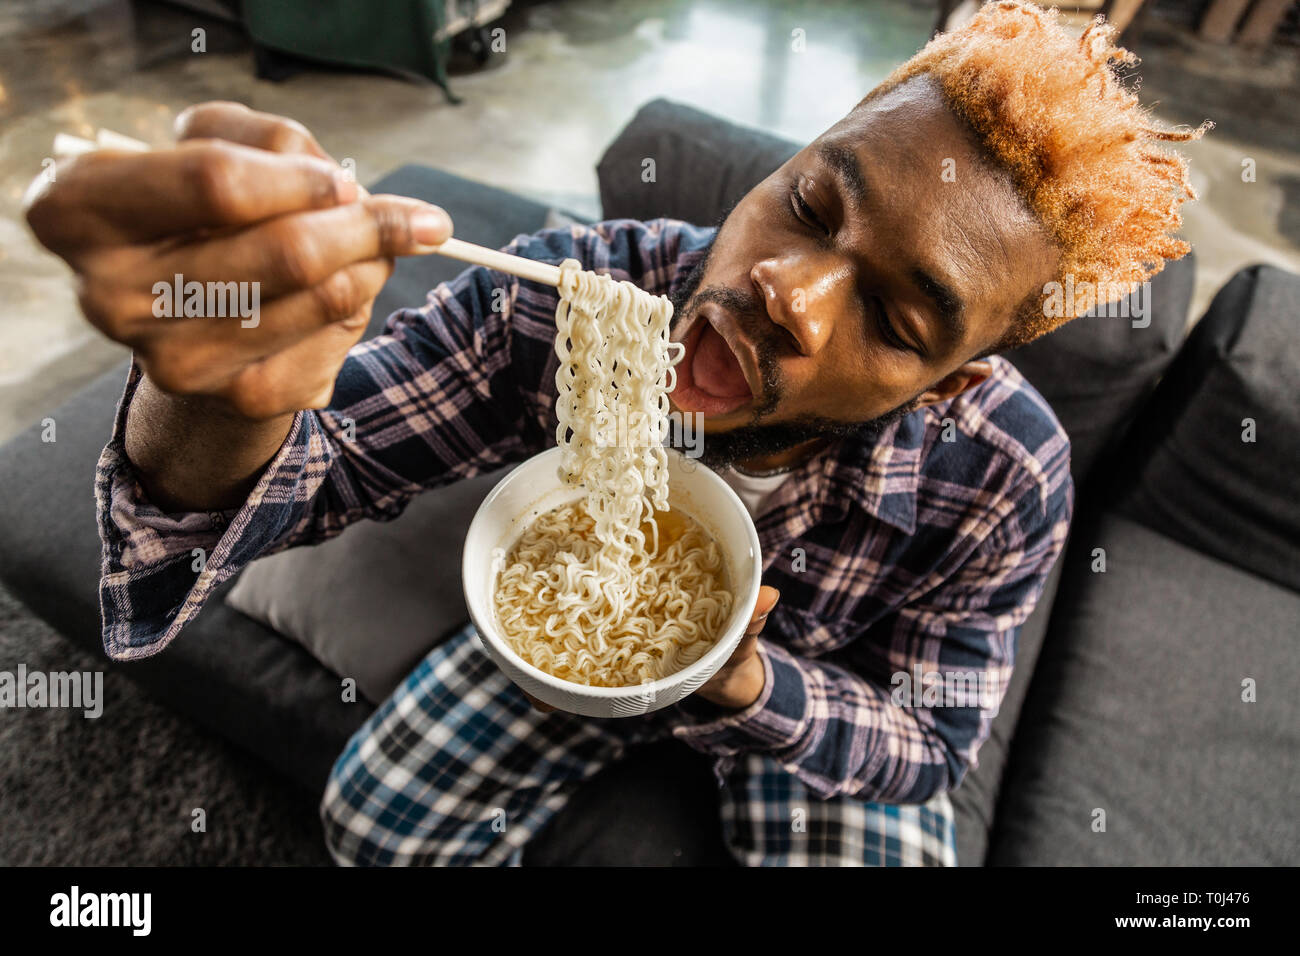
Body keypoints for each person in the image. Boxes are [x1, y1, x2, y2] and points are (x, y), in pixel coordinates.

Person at [24, 1, 1207, 865]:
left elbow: (927, 742)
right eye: (808, 204)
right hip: (569, 634)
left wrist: (740, 677)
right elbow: (249, 506)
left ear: (952, 379)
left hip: (797, 694)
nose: (790, 293)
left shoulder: (1006, 473)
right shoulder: (572, 295)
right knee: (372, 819)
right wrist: (223, 389)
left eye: (895, 318)